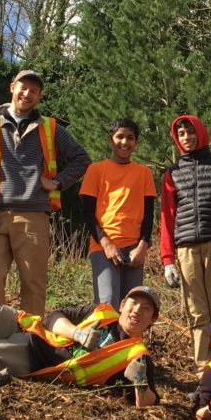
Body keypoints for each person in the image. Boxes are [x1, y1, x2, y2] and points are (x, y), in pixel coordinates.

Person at [0, 285, 161, 407]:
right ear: (123, 303)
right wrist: (77, 333)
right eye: (133, 303)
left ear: (152, 321)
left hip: (34, 358)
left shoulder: (136, 355)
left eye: (146, 309)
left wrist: (139, 381)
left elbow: (151, 402)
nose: (137, 310)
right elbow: (53, 316)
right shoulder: (101, 311)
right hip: (25, 326)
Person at [0, 70, 90, 313]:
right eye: (23, 88)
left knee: (33, 283)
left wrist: (57, 182)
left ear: (39, 96)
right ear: (12, 87)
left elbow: (81, 159)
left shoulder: (50, 128)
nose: (27, 94)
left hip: (33, 216)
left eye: (34, 91)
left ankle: (31, 340)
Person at [158, 114, 211, 371]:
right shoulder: (172, 173)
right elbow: (167, 217)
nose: (187, 138)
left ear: (200, 132)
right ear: (176, 138)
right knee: (196, 313)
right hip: (185, 248)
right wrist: (167, 261)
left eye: (190, 132)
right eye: (181, 134)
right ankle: (204, 371)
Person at [79, 119, 157, 308]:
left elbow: (148, 215)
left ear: (136, 143)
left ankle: (127, 340)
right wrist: (106, 244)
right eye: (120, 136)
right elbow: (88, 213)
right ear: (110, 140)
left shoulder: (144, 172)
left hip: (134, 249)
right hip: (104, 247)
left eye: (130, 138)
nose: (125, 142)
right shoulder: (96, 169)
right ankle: (106, 339)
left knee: (132, 306)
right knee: (108, 304)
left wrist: (142, 246)